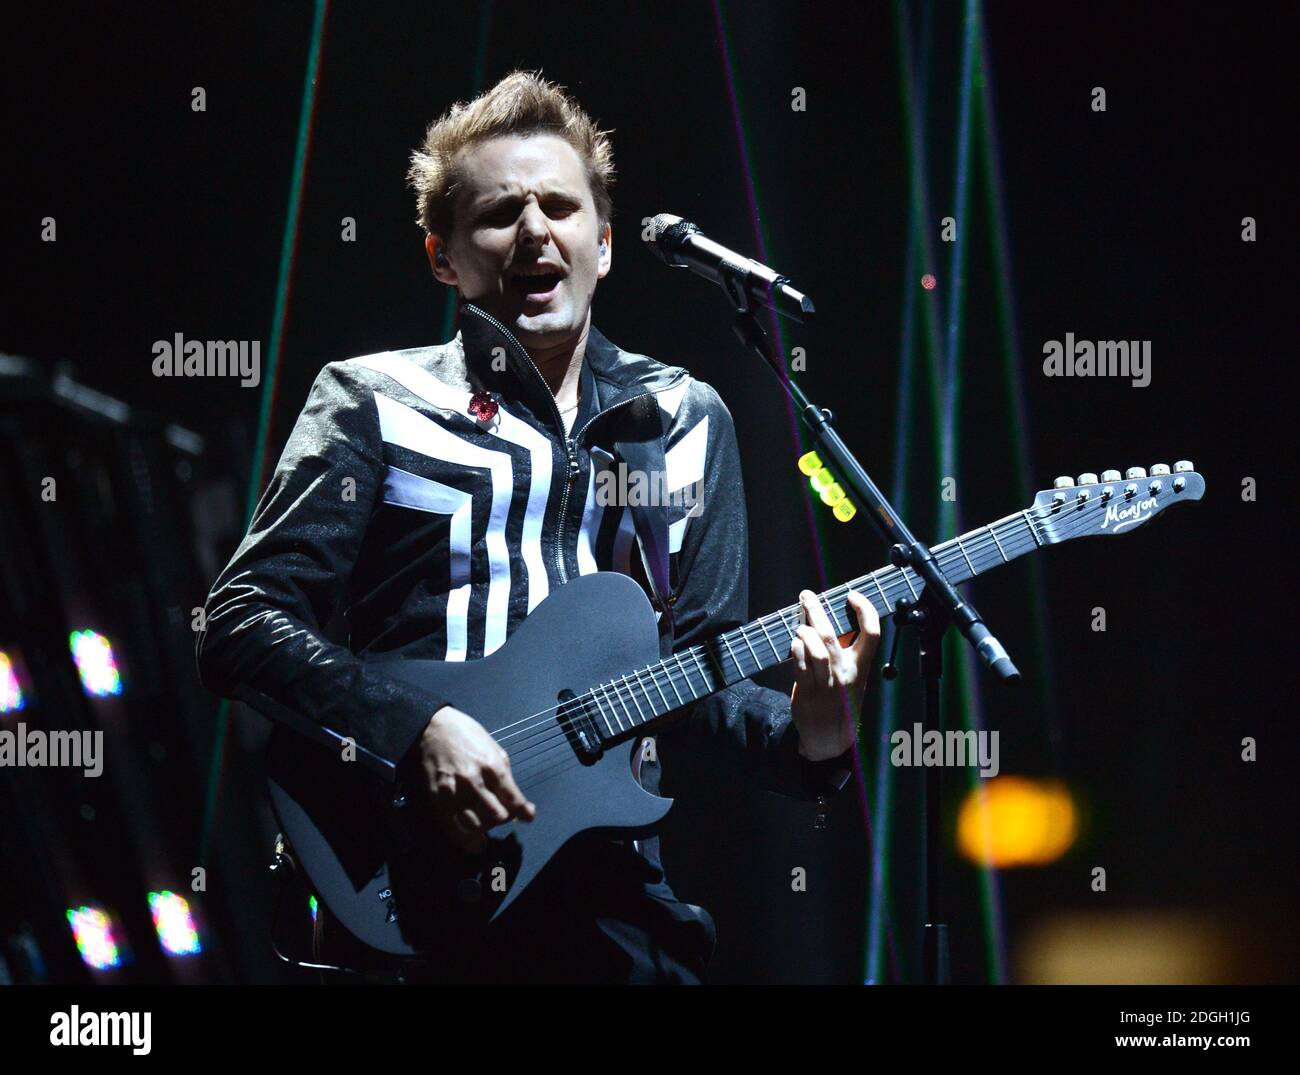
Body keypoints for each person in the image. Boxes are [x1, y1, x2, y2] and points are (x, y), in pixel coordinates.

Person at [196, 69, 880, 984]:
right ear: (442, 255)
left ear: (604, 242)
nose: (533, 232)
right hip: (413, 886)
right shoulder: (373, 400)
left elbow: (696, 677)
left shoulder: (683, 416)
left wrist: (817, 732)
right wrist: (420, 726)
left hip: (613, 907)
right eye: (498, 214)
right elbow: (238, 620)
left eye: (560, 207)